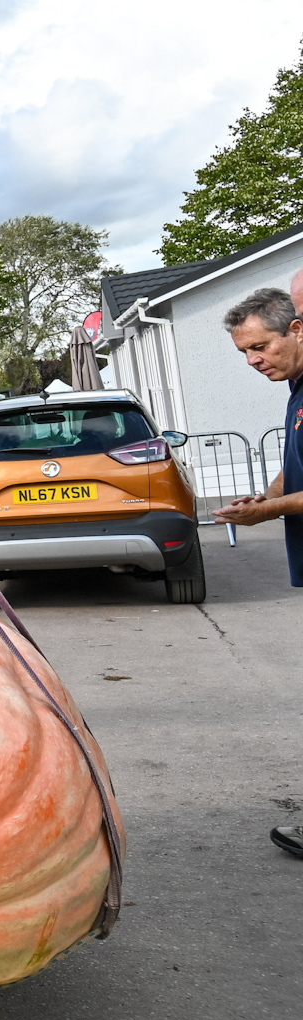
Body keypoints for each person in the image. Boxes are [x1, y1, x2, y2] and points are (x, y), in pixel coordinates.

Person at [205, 288, 303, 859]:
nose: (253, 361)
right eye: (245, 352)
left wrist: (267, 512)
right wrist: (258, 499)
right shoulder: (294, 391)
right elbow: (294, 473)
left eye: (260, 346)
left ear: (297, 330)